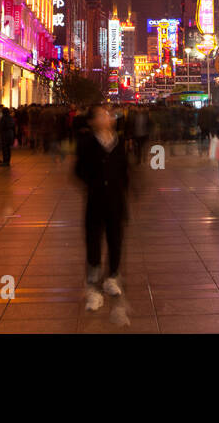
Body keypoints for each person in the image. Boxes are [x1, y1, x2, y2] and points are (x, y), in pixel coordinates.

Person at [74, 104, 128, 311]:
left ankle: (112, 277)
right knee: (93, 244)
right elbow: (78, 171)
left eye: (109, 115)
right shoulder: (86, 143)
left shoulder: (119, 142)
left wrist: (123, 188)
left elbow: (125, 170)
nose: (107, 118)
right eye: (102, 115)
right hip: (95, 202)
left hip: (116, 202)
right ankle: (93, 289)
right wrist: (94, 184)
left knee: (115, 241)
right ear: (92, 122)